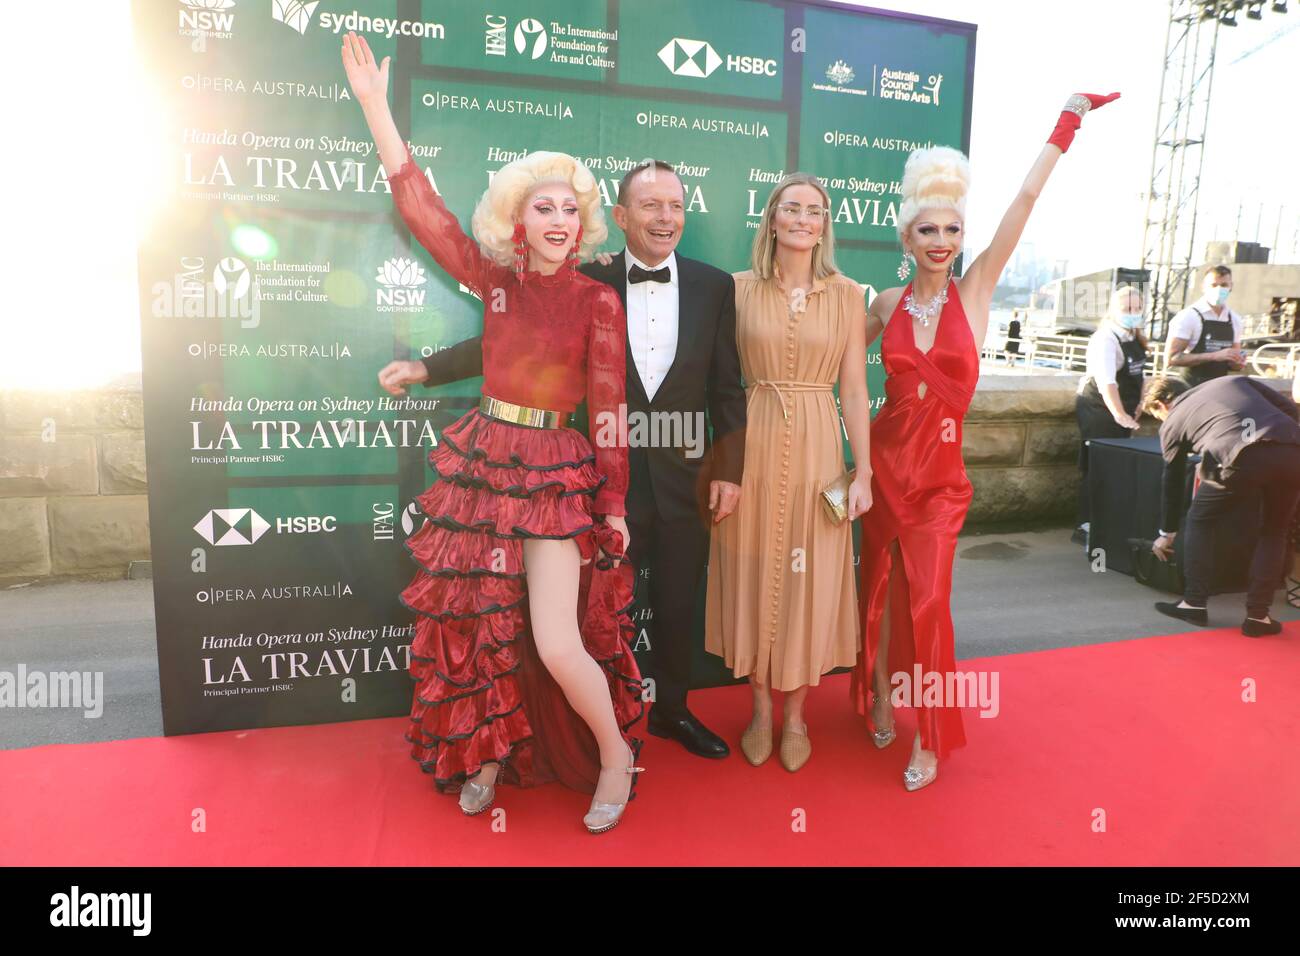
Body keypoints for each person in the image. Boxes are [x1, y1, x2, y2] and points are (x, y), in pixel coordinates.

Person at [342, 32, 645, 833]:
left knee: (551, 639)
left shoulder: (597, 301)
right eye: (541, 206)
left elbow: (608, 405)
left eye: (568, 208)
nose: (556, 218)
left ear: (583, 226)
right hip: (484, 463)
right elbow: (424, 213)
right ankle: (482, 756)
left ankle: (615, 756)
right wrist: (376, 106)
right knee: (477, 627)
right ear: (517, 221)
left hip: (553, 477)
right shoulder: (496, 281)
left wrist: (612, 504)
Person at [410, 161, 748, 761]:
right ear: (621, 217)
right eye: (650, 205)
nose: (664, 216)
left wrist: (729, 467)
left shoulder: (715, 286)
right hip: (585, 475)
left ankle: (672, 711)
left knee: (675, 600)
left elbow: (727, 386)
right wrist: (428, 368)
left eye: (674, 205)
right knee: (575, 617)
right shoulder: (585, 277)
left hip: (680, 471)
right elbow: (505, 339)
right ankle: (559, 741)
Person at [851, 93, 1121, 791]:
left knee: (930, 605)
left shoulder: (977, 292)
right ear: (906, 239)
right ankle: (879, 694)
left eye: (952, 229)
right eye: (927, 230)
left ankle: (930, 736)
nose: (941, 240)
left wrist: (1066, 123)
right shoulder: (883, 305)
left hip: (939, 486)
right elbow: (837, 371)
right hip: (882, 470)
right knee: (875, 590)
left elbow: (1024, 202)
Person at [704, 174, 872, 772]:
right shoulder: (736, 289)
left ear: (825, 224)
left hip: (823, 443)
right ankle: (757, 708)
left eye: (816, 211)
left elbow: (854, 388)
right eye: (793, 208)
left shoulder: (848, 294)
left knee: (813, 569)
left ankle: (796, 714)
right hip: (752, 436)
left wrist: (865, 472)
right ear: (771, 218)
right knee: (751, 563)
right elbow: (721, 380)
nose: (804, 218)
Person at [1143, 374, 1300, 636]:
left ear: (1161, 404)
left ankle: (1193, 603)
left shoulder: (1172, 421)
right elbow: (1289, 408)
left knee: (1200, 520)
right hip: (1293, 452)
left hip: (1238, 454)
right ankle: (1258, 617)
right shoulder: (1233, 380)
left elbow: (1171, 478)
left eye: (1155, 414)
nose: (1160, 420)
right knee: (1275, 531)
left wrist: (1167, 531)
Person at [1072, 285, 1148, 544]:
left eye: (1137, 308)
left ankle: (1106, 522)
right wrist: (1119, 414)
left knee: (1116, 468)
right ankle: (1085, 526)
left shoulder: (1134, 337)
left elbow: (1141, 374)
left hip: (1125, 408)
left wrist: (1140, 403)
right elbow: (1107, 382)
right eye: (1127, 308)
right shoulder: (1106, 339)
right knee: (1098, 466)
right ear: (1113, 310)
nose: (1133, 312)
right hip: (1099, 409)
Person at [1165, 265, 1247, 387]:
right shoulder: (1188, 316)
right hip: (1191, 388)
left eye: (1224, 285)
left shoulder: (1235, 319)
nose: (1219, 289)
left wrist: (1238, 362)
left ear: (1231, 287)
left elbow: (1234, 361)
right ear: (1204, 287)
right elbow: (1171, 358)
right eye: (1214, 285)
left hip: (1219, 389)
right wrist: (1213, 356)